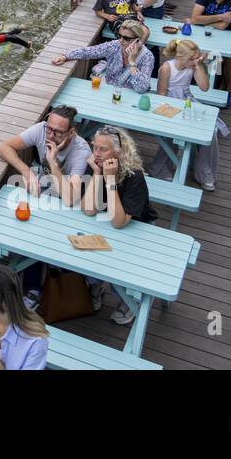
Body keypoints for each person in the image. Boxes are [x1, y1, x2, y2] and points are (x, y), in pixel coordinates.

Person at [82, 126, 155, 324]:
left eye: (102, 149)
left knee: (120, 260)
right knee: (84, 249)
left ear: (119, 152)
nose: (96, 153)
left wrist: (111, 181)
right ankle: (95, 284)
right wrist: (97, 173)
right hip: (105, 224)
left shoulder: (134, 176)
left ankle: (129, 298)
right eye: (94, 147)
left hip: (136, 229)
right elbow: (89, 209)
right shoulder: (97, 164)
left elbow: (119, 222)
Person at [146, 39, 228, 190]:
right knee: (172, 134)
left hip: (187, 101)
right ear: (180, 57)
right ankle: (160, 169)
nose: (195, 60)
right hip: (170, 103)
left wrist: (198, 65)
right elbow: (161, 94)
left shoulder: (193, 66)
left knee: (211, 132)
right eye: (192, 58)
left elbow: (204, 87)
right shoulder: (166, 68)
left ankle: (205, 172)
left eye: (196, 58)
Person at [0, 105, 89, 205]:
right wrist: (27, 172)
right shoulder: (41, 129)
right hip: (42, 186)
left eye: (58, 132)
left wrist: (53, 163)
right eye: (49, 129)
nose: (51, 136)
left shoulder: (81, 152)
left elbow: (71, 200)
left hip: (65, 197)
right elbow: (3, 147)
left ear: (71, 133)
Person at [51, 19, 154, 94]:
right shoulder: (115, 45)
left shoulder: (147, 57)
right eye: (119, 36)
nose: (121, 40)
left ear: (137, 40)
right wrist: (66, 56)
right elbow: (90, 51)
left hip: (131, 97)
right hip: (108, 91)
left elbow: (142, 88)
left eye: (126, 38)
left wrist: (132, 63)